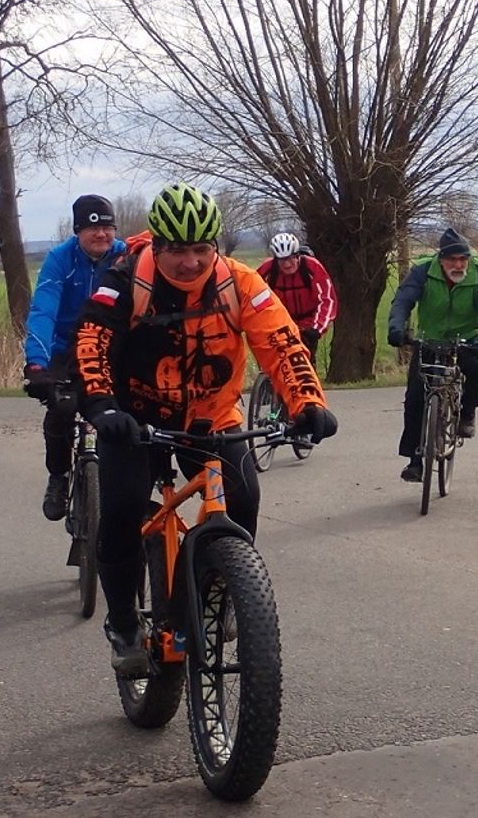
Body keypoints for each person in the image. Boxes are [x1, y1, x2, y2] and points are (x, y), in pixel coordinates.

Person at [74, 183, 339, 674]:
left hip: (210, 418)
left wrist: (306, 402)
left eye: (201, 249)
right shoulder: (126, 277)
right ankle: (125, 624)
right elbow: (92, 340)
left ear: (216, 246)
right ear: (158, 245)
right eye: (177, 250)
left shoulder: (240, 284)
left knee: (244, 497)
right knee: (124, 507)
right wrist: (104, 408)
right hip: (136, 420)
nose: (190, 262)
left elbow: (281, 345)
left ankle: (224, 590)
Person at [22, 194, 128, 520]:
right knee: (61, 407)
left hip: (113, 345)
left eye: (108, 228)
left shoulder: (126, 257)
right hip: (64, 349)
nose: (102, 235)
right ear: (78, 231)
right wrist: (37, 363)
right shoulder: (60, 260)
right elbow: (43, 310)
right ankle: (59, 476)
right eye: (93, 229)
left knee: (130, 407)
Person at [387, 227, 478, 480]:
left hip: (467, 341)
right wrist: (397, 328)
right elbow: (403, 301)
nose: (458, 264)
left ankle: (468, 410)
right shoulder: (422, 270)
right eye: (452, 260)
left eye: (463, 259)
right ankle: (415, 460)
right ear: (441, 260)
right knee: (415, 396)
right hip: (429, 340)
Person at [255, 231, 339, 360]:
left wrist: (317, 328)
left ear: (297, 256)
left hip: (308, 325)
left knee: (305, 362)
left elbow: (327, 299)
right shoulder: (267, 269)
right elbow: (250, 294)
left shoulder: (312, 267)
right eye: (282, 260)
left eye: (290, 259)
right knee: (278, 364)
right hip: (280, 324)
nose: (287, 264)